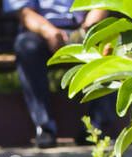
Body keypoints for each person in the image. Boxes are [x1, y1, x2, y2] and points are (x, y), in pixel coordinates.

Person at [6, 0, 117, 148]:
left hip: (85, 30)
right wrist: (49, 31)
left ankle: (95, 128)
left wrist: (90, 25)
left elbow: (103, 4)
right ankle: (45, 127)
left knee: (112, 47)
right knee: (26, 48)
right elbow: (24, 13)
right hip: (39, 31)